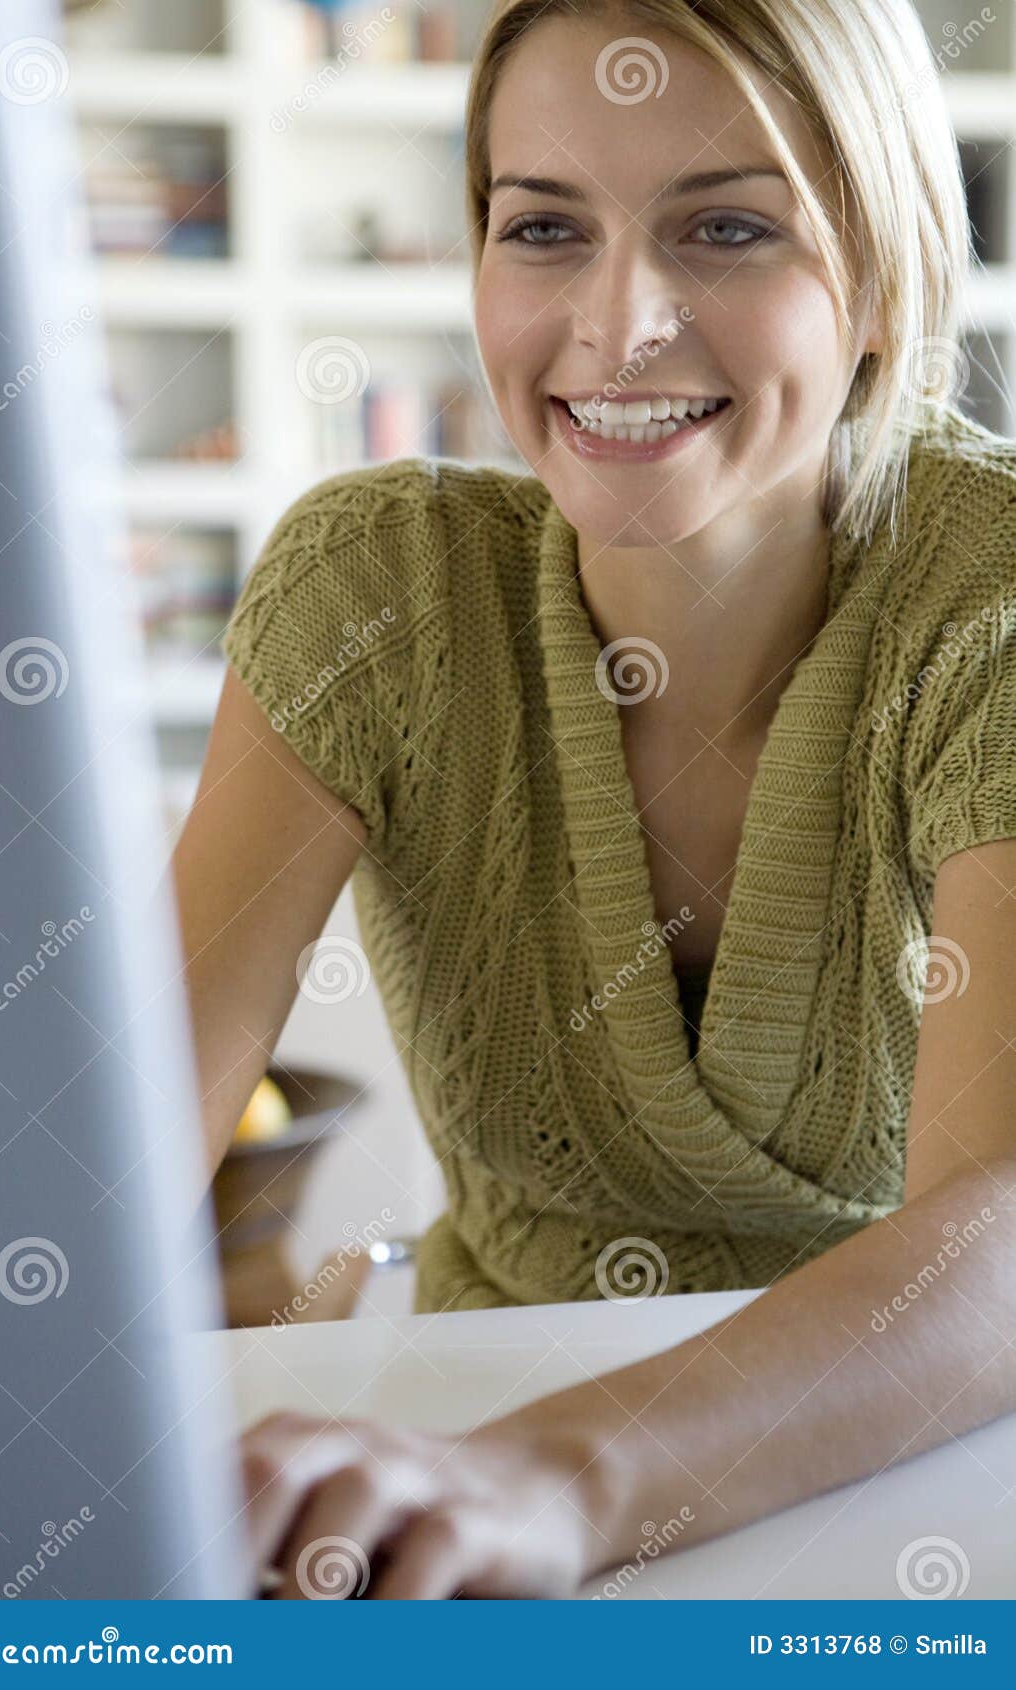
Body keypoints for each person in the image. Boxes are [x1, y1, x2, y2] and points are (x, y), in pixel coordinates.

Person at [172, 0, 1016, 1597]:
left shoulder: (994, 599)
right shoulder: (374, 589)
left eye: (728, 229)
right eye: (546, 228)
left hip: (910, 1484)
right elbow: (116, 1144)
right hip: (460, 1456)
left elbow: (1005, 1230)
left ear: (881, 279)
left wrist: (561, 1475)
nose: (619, 327)